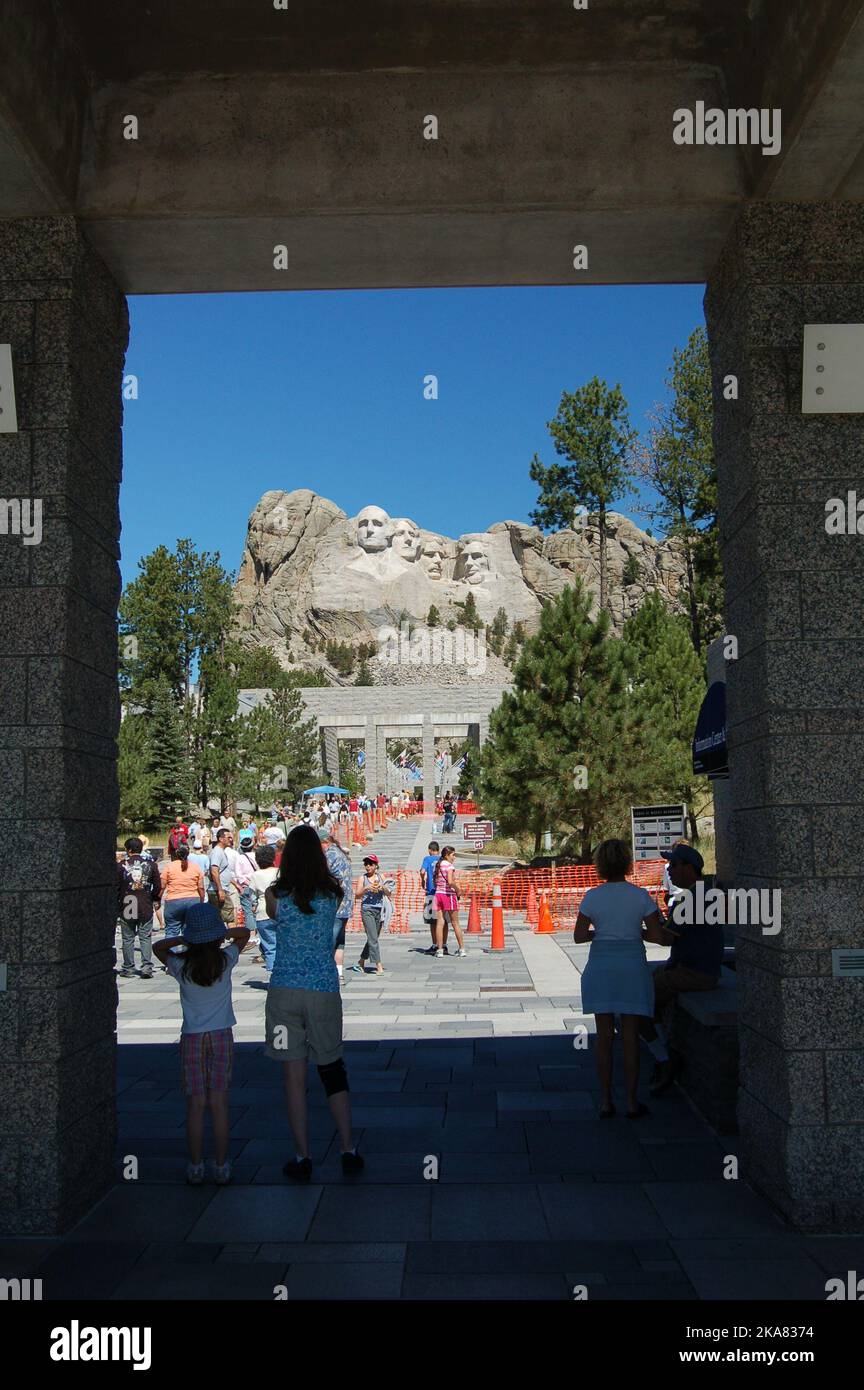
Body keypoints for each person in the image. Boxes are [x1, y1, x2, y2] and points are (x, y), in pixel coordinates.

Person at [263, 825, 364, 1181]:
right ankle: (348, 1147)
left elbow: (275, 917)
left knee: (292, 1076)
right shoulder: (331, 894)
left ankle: (302, 1156)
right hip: (323, 989)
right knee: (332, 1069)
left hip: (283, 992)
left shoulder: (275, 895)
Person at [574, 839, 674, 1119]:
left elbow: (579, 936)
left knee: (604, 1037)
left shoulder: (592, 896)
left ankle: (606, 1101)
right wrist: (634, 933)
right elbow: (657, 936)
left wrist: (603, 934)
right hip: (632, 965)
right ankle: (632, 1101)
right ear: (627, 863)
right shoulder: (640, 896)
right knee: (630, 1036)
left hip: (601, 966)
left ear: (600, 865)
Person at [153, 903, 249, 1184]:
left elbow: (160, 947)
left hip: (192, 1036)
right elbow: (243, 934)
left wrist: (185, 938)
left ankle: (195, 1166)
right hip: (221, 1035)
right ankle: (221, 1165)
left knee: (195, 1105)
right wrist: (220, 933)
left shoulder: (181, 965)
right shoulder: (225, 960)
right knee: (219, 1103)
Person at [640, 844, 723, 1095]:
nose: (669, 870)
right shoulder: (706, 892)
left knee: (641, 1002)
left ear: (689, 868)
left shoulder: (690, 900)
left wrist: (641, 924)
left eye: (674, 865)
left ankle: (665, 1058)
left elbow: (666, 938)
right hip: (704, 970)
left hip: (694, 973)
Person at [116, 836, 162, 979]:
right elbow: (158, 886)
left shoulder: (121, 865)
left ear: (128, 850)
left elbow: (116, 885)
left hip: (127, 902)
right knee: (145, 936)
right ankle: (147, 966)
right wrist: (154, 897)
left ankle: (128, 967)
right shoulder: (151, 864)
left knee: (128, 937)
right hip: (144, 902)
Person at [318, 826, 354, 984]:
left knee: (329, 941)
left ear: (324, 842)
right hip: (346, 905)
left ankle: (326, 974)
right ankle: (339, 974)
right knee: (339, 941)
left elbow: (332, 879)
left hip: (335, 905)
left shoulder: (330, 854)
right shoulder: (341, 853)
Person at [348, 854, 392, 975]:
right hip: (367, 910)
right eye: (366, 864)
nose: (368, 867)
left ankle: (361, 961)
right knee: (373, 938)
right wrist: (366, 888)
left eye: (370, 864)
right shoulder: (363, 878)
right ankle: (378, 965)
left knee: (373, 938)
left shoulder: (381, 877)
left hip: (380, 910)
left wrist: (382, 888)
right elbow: (357, 895)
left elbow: (389, 893)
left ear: (376, 866)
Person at [159, 842, 206, 938]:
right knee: (190, 930)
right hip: (193, 900)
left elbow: (162, 886)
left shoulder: (169, 866)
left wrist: (157, 899)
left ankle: (171, 952)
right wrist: (201, 900)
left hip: (173, 900)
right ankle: (189, 952)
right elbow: (201, 887)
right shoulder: (195, 867)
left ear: (176, 853)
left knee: (172, 930)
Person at [249, 844, 279, 971]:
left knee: (270, 947)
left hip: (262, 913)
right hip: (279, 910)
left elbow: (252, 897)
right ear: (273, 858)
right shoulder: (279, 872)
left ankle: (273, 975)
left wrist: (254, 905)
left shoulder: (255, 875)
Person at [433, 845, 466, 957]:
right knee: (455, 922)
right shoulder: (449, 866)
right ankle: (462, 949)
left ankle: (440, 949)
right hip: (449, 895)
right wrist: (458, 890)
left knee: (440, 922)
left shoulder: (438, 865)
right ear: (447, 855)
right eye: (453, 855)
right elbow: (451, 882)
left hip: (438, 895)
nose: (454, 857)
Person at [420, 839, 448, 955]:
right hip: (443, 892)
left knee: (433, 921)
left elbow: (422, 871)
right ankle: (444, 944)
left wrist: (423, 881)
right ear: (438, 850)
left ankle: (435, 944)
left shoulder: (427, 859)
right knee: (444, 921)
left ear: (429, 850)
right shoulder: (443, 859)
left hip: (431, 892)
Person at [234, 834, 260, 940]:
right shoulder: (256, 856)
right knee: (257, 907)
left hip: (245, 886)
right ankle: (259, 930)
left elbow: (238, 874)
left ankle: (252, 933)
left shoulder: (239, 858)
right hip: (257, 884)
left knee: (247, 909)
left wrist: (245, 882)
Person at [208, 828, 236, 924]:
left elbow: (223, 871)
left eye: (231, 837)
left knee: (220, 918)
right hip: (218, 890)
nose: (231, 839)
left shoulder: (221, 851)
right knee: (229, 917)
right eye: (228, 837)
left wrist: (236, 884)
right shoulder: (217, 852)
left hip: (221, 889)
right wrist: (220, 890)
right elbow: (214, 871)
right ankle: (233, 937)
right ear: (221, 839)